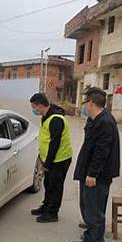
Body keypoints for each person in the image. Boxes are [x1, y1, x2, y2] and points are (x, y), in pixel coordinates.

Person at [70, 87, 120, 242]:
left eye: (85, 102)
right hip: (89, 172)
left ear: (90, 103)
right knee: (87, 206)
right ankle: (89, 238)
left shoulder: (105, 122)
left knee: (94, 210)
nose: (84, 106)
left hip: (97, 175)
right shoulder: (95, 120)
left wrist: (93, 174)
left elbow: (102, 151)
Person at [29, 93, 73, 223]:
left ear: (40, 105)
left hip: (59, 159)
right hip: (50, 158)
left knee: (55, 186)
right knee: (48, 184)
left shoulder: (56, 119)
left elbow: (55, 143)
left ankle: (53, 213)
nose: (33, 110)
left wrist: (47, 163)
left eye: (34, 107)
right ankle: (46, 206)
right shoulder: (46, 116)